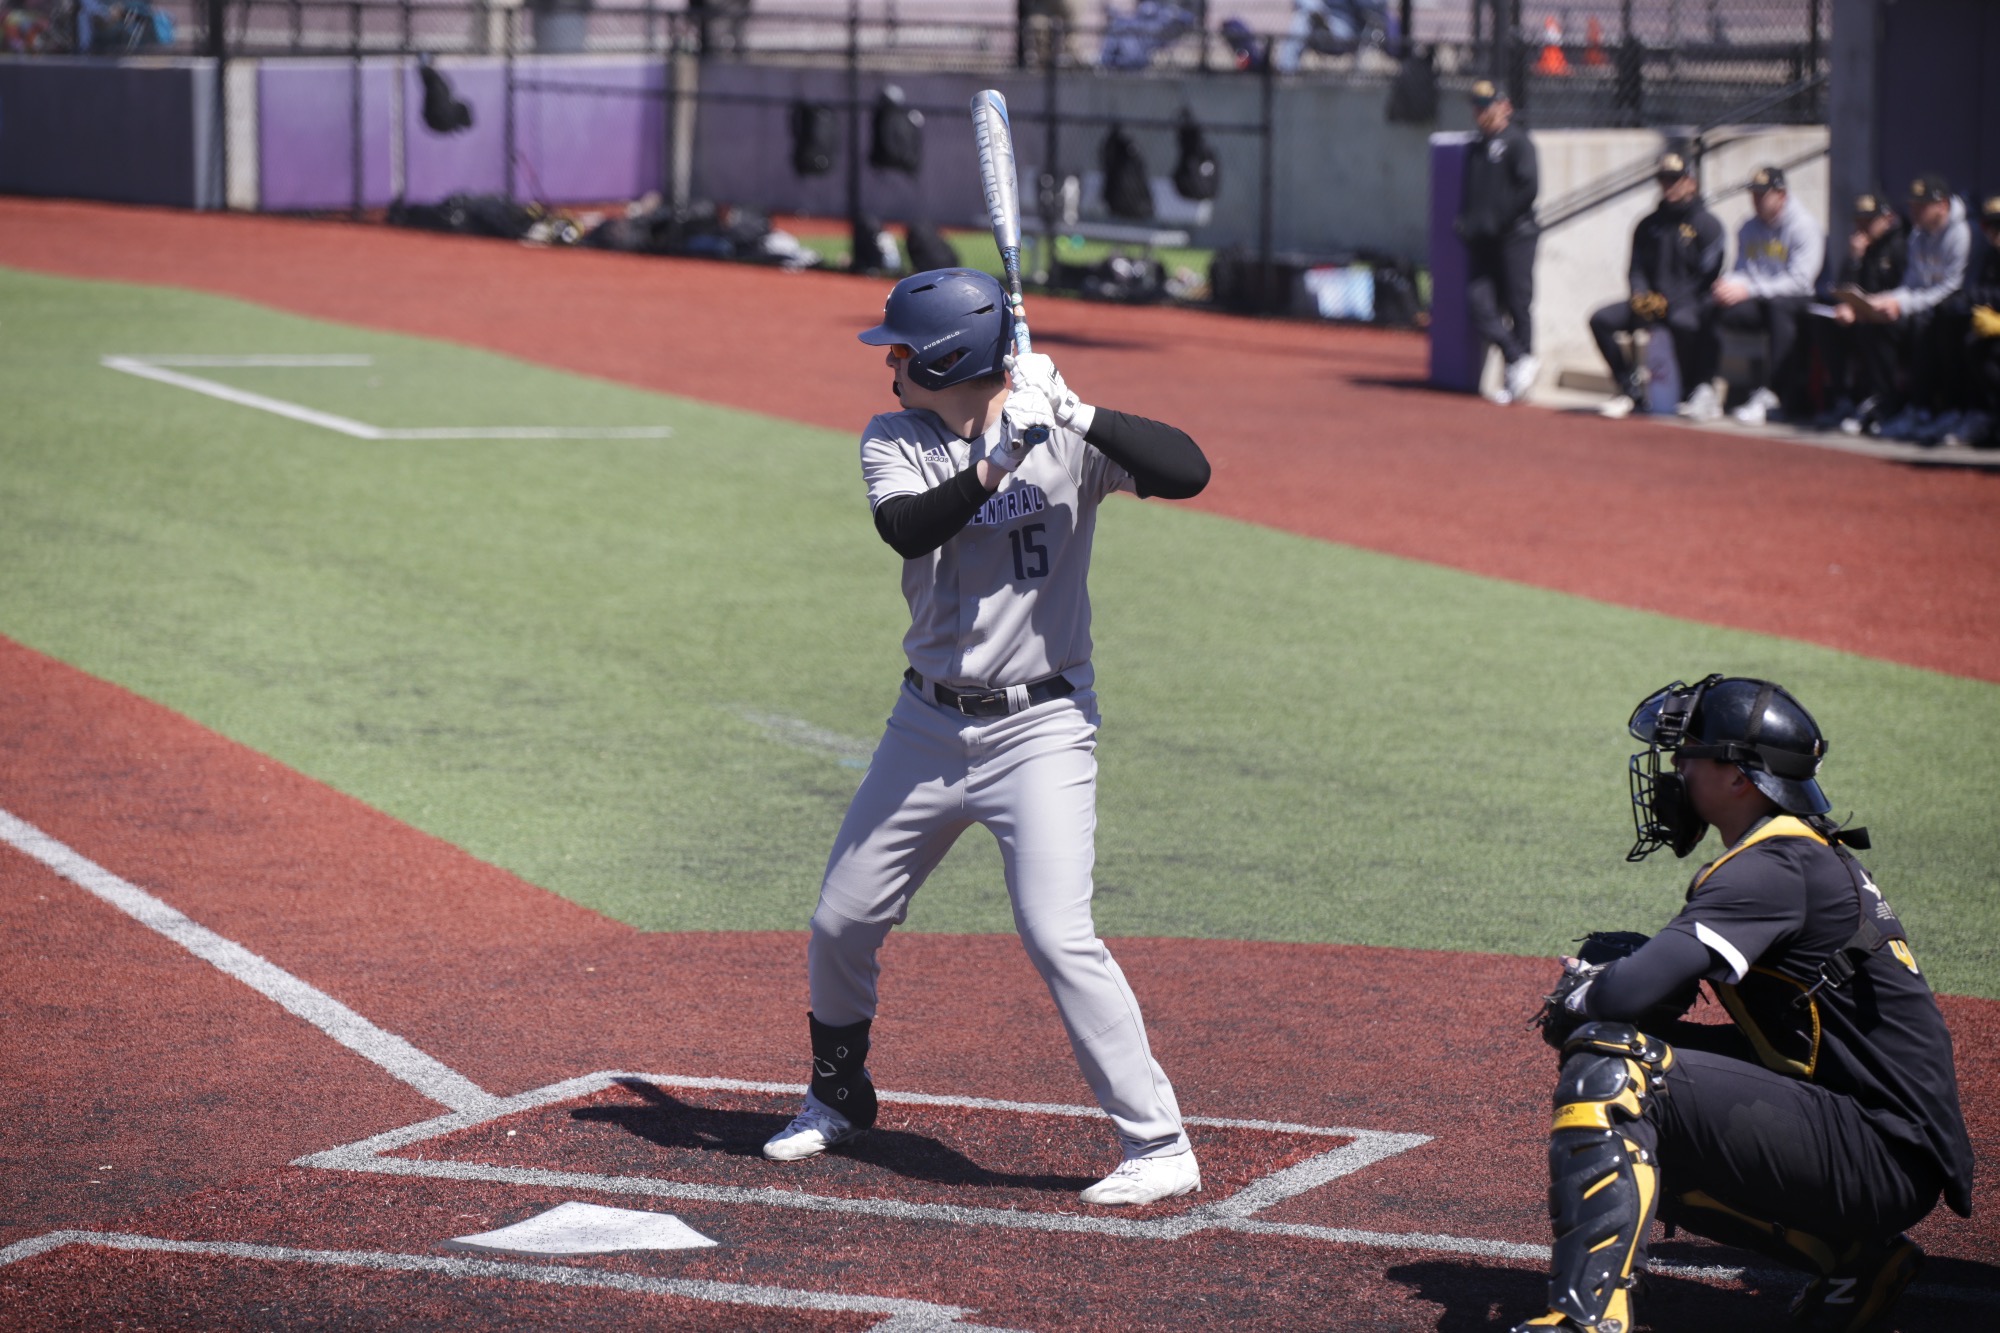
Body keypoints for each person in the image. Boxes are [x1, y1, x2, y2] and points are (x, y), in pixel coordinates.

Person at [762, 269, 1212, 1208]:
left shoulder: (1059, 427)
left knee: (1058, 930)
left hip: (1043, 729)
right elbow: (906, 527)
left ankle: (1160, 1141)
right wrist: (996, 461)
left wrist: (1081, 416)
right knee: (841, 921)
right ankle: (838, 1092)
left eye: (901, 348)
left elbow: (1190, 470)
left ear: (946, 358)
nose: (887, 360)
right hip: (925, 724)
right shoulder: (894, 438)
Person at [1510, 675, 1974, 1333]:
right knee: (1639, 1112)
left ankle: (1587, 1320)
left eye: (1690, 752)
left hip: (1880, 1149)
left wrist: (1588, 987)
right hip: (1868, 1127)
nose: (1676, 768)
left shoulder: (1775, 865)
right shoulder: (1792, 853)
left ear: (1739, 776)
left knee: (1614, 1066)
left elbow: (1622, 993)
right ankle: (1854, 1259)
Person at [1587, 150, 1725, 420]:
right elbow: (1635, 267)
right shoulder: (1648, 225)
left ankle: (1693, 388)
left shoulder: (1707, 225)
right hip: (1652, 303)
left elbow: (1707, 276)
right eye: (1663, 179)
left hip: (1689, 304)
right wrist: (1640, 295)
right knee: (1600, 319)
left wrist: (1668, 301)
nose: (1668, 186)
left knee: (1683, 321)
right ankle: (1630, 388)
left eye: (1675, 179)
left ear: (1691, 183)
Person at [1840, 174, 1972, 442]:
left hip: (1954, 311)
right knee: (1876, 324)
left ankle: (1928, 408)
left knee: (1927, 323)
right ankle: (1887, 403)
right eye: (1913, 205)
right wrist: (1883, 301)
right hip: (1923, 307)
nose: (1914, 211)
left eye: (1922, 206)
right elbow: (1911, 283)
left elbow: (1951, 286)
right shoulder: (1917, 235)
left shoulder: (1962, 234)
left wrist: (1902, 304)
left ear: (1942, 206)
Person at [1711, 165, 1824, 425]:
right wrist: (1726, 285)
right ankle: (1703, 386)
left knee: (1779, 308)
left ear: (1782, 195)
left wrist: (1749, 289)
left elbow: (1800, 281)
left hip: (1796, 299)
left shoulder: (1804, 227)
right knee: (1713, 306)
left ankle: (1773, 393)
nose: (1757, 200)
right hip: (1761, 298)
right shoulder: (1748, 227)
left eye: (1764, 194)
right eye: (1754, 194)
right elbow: (1742, 269)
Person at [1455, 80, 1542, 405]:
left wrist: (1498, 220)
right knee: (1479, 302)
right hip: (1484, 241)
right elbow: (1473, 192)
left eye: (1486, 105)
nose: (1479, 112)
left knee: (1518, 302)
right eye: (1476, 106)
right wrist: (1466, 221)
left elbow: (1528, 188)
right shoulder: (1477, 146)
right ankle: (1519, 356)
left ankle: (1517, 376)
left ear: (1504, 106)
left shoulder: (1518, 143)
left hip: (1515, 237)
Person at [1808, 191, 1908, 430]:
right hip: (1864, 315)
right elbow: (1844, 286)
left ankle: (1882, 402)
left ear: (1887, 218)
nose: (1863, 227)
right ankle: (1843, 397)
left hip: (1892, 317)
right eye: (1859, 221)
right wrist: (1854, 260)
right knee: (1826, 324)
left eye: (1869, 221)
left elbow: (1898, 290)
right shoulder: (1860, 247)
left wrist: (1863, 310)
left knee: (1871, 332)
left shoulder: (1900, 245)